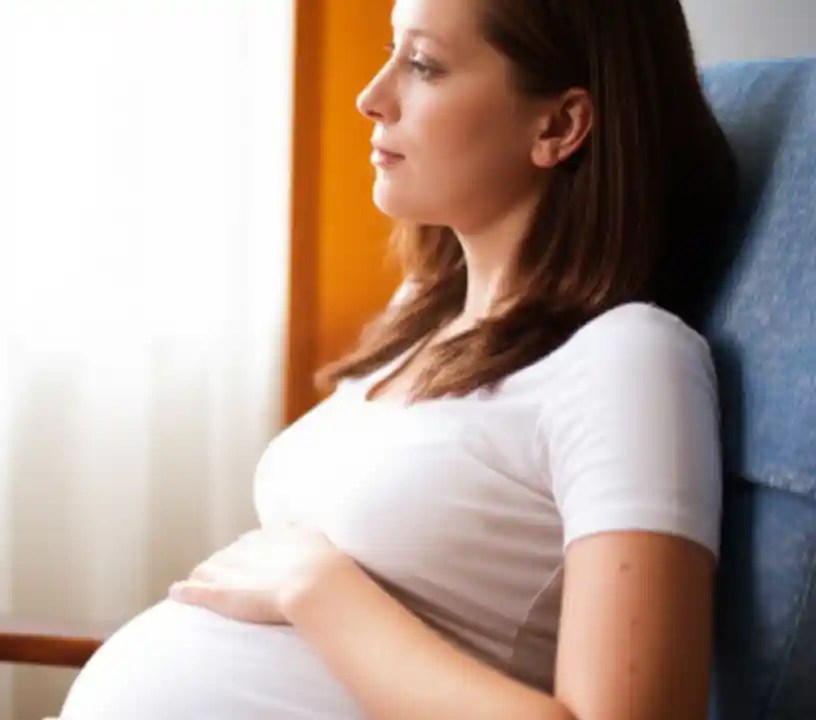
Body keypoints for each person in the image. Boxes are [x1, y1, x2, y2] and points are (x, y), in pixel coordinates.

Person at [56, 0, 736, 717]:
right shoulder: (426, 319)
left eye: (422, 64)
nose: (371, 97)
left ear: (560, 125)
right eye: (390, 52)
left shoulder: (627, 361)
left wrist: (318, 590)